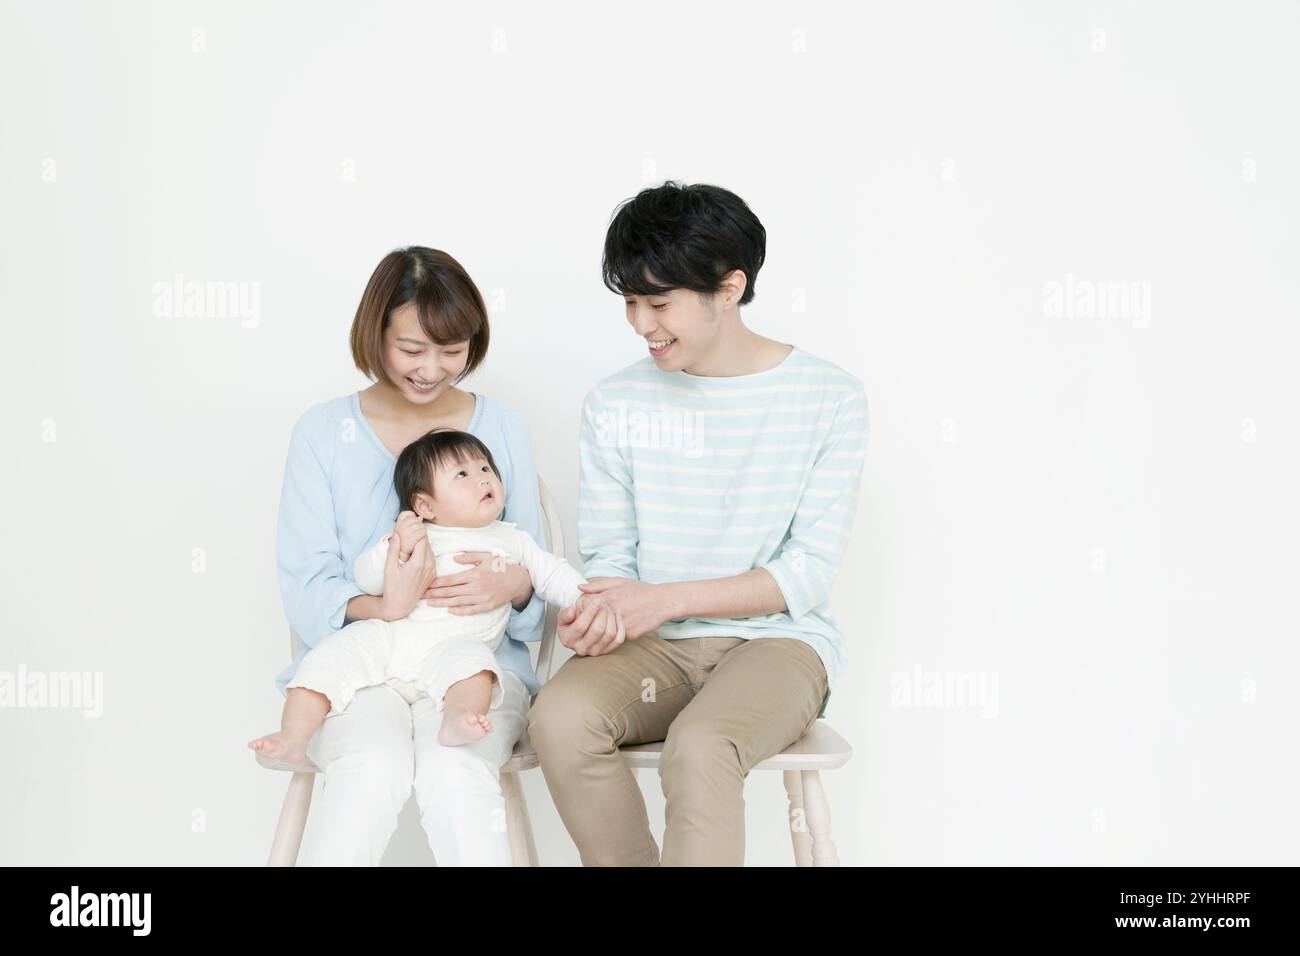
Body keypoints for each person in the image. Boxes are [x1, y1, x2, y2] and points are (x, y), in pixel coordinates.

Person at [528, 181, 870, 866]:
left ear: (730, 287)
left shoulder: (829, 397)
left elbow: (805, 572)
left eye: (659, 302)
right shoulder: (615, 401)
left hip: (776, 645)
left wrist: (666, 600)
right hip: (653, 646)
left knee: (702, 743)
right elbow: (611, 556)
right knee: (559, 720)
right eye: (630, 302)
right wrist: (604, 612)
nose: (642, 324)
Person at [272, 246, 621, 865]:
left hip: (476, 665)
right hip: (366, 666)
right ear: (373, 333)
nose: (433, 369)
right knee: (368, 769)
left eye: (453, 349)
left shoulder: (501, 426)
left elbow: (533, 570)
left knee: (454, 769)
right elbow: (306, 586)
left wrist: (511, 587)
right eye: (412, 349)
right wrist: (385, 603)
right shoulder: (323, 433)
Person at [251, 429, 587, 756]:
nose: (483, 479)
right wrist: (392, 548)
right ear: (425, 506)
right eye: (462, 475)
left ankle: (457, 718)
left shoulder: (512, 539)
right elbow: (367, 579)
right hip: (391, 638)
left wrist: (584, 598)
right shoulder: (418, 535)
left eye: (486, 468)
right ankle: (294, 734)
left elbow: (552, 573)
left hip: (454, 647)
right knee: (326, 659)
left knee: (477, 669)